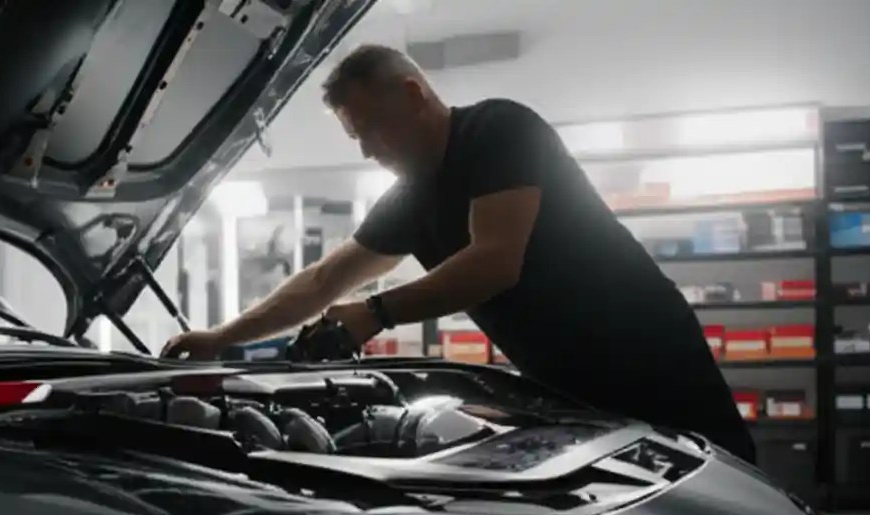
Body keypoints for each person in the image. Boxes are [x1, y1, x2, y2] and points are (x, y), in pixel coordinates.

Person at [163, 43, 756, 463]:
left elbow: (496, 260)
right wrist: (224, 337)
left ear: (414, 94)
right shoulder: (411, 197)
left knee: (729, 498)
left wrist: (376, 312)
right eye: (355, 138)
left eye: (371, 129)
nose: (367, 149)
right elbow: (324, 280)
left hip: (647, 356)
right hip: (567, 385)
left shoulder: (498, 131)